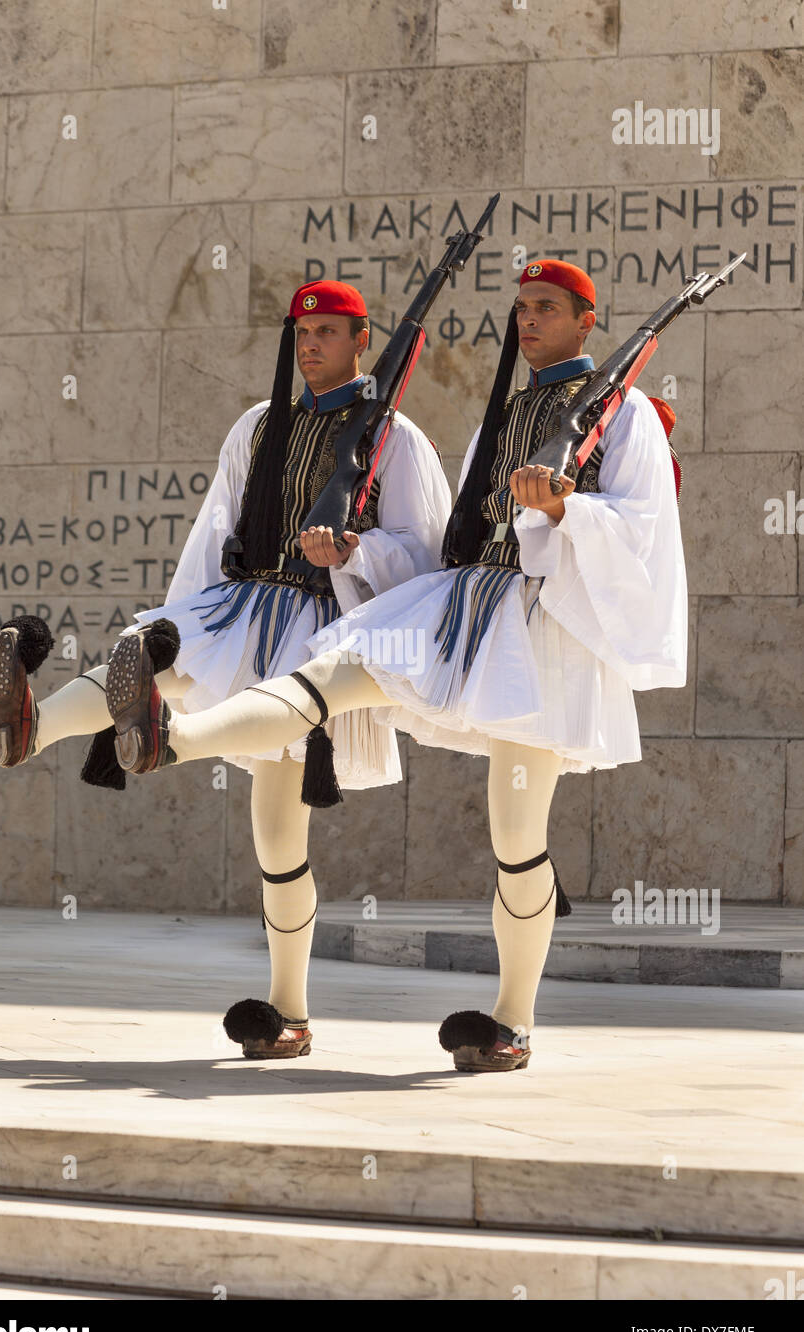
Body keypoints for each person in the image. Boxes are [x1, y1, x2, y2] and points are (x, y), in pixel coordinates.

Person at [97, 258, 688, 1075]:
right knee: (326, 673)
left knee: (516, 836)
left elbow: (644, 528)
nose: (528, 322)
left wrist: (564, 507)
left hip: (543, 631)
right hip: (463, 602)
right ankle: (173, 739)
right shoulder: (510, 411)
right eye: (520, 309)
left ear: (588, 322)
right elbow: (462, 524)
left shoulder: (625, 419)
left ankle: (511, 1022)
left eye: (546, 309)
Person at [0, 279, 451, 1059]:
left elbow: (424, 553)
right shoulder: (260, 425)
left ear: (363, 341)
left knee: (276, 840)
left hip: (318, 628)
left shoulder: (397, 437)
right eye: (302, 334)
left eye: (328, 333)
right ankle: (30, 728)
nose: (310, 346)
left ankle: (288, 1010)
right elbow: (214, 530)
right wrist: (177, 623)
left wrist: (356, 550)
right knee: (138, 662)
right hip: (240, 604)